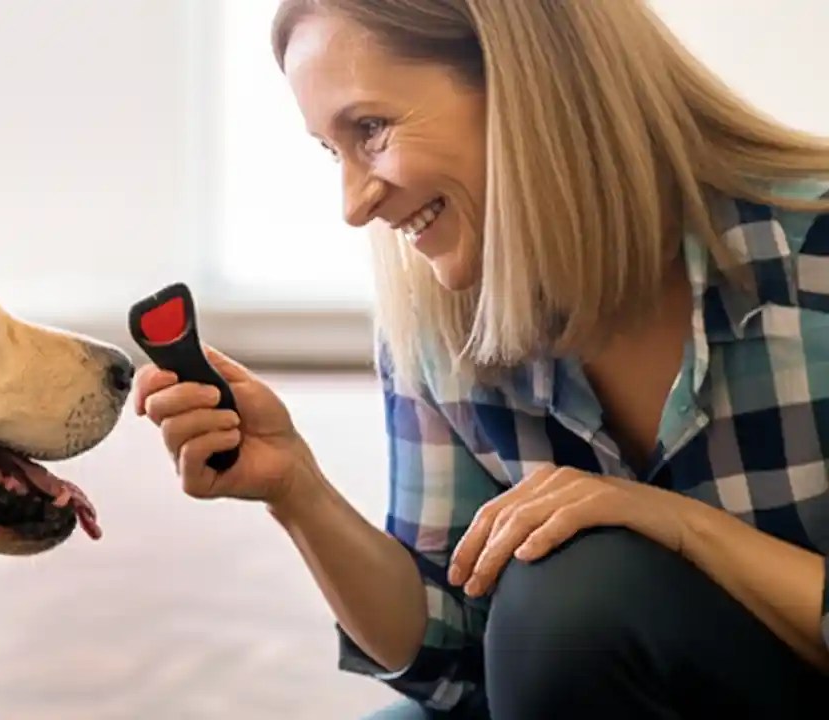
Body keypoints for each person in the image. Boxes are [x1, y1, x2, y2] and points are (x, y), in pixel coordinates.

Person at [133, 1, 829, 718]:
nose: (353, 203)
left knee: (574, 595)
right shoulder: (438, 318)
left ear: (531, 83)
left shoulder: (816, 258)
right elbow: (454, 653)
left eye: (370, 129)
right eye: (330, 150)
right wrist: (297, 490)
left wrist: (681, 527)